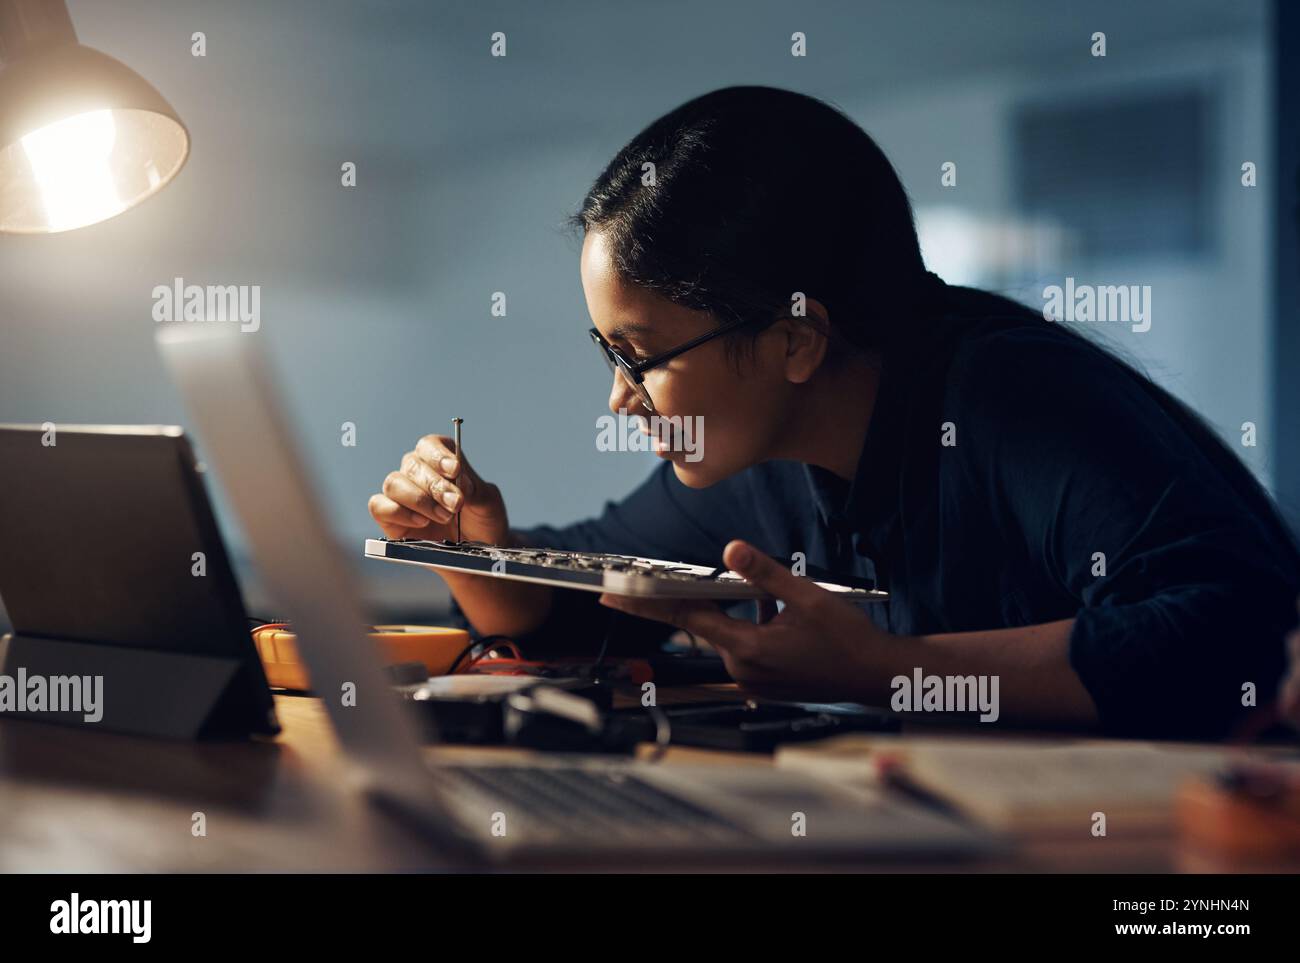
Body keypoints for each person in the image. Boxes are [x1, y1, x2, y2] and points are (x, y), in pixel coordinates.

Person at [368, 86, 1300, 740]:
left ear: (795, 339)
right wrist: (475, 543)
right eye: (608, 353)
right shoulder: (761, 458)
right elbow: (569, 612)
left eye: (641, 356)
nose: (619, 396)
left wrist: (882, 671)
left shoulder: (1008, 399)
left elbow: (1234, 636)